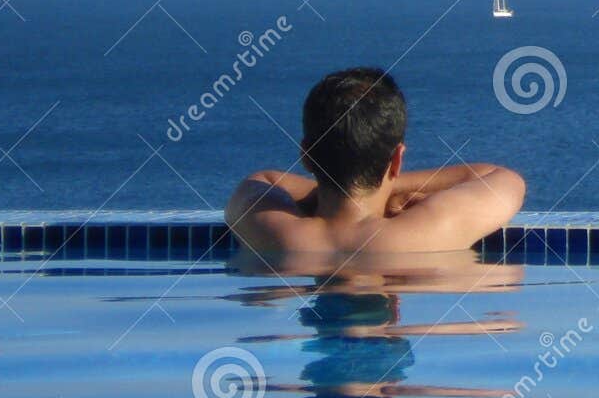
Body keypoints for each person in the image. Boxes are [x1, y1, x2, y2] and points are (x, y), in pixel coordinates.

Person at [224, 67, 525, 257]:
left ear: (306, 156)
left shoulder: (272, 230)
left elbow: (266, 179)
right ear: (396, 160)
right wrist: (392, 187)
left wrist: (338, 178)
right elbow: (503, 179)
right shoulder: (426, 232)